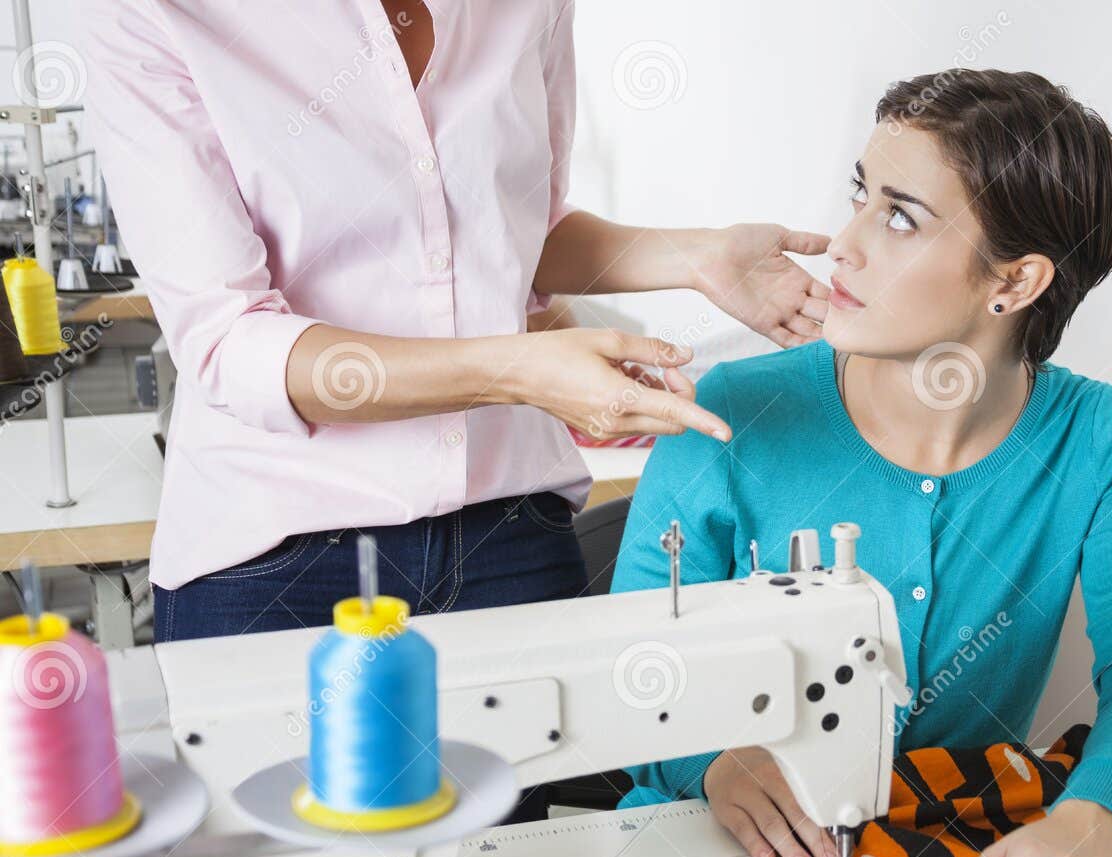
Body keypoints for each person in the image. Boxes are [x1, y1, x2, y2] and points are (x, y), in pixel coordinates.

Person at [612, 69, 1112, 857]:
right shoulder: (728, 416)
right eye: (861, 195)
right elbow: (633, 671)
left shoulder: (1103, 442)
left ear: (1014, 281)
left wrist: (1100, 815)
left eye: (898, 216)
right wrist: (712, 764)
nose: (842, 246)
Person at [81, 0, 829, 641]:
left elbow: (518, 233)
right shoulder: (161, 15)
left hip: (511, 538)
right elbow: (228, 341)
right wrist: (518, 372)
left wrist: (698, 257)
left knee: (538, 818)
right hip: (278, 559)